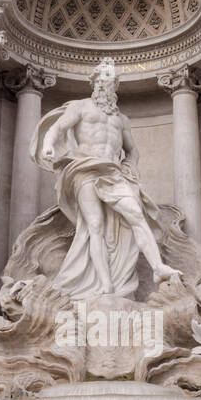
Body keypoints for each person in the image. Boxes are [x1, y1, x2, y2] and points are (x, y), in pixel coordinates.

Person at [31, 57, 180, 299]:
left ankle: (158, 268)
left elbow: (132, 150)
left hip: (112, 172)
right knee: (95, 226)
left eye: (112, 81)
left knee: (136, 215)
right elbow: (57, 128)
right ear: (95, 83)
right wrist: (48, 145)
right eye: (103, 80)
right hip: (85, 170)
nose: (107, 85)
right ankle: (105, 285)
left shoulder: (121, 120)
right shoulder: (80, 107)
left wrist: (130, 166)